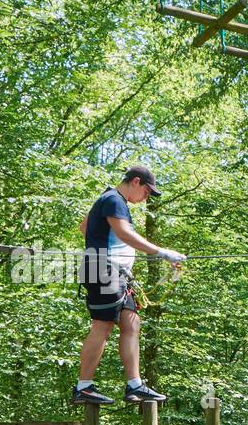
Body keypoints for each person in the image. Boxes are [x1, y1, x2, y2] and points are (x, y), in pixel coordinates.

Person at [72, 165, 183, 405]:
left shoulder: (108, 199)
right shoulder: (113, 199)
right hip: (103, 270)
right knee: (102, 325)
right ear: (135, 181)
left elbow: (85, 227)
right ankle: (84, 386)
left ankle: (135, 385)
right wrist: (161, 252)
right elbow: (123, 232)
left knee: (131, 322)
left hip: (114, 271)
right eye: (146, 192)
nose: (146, 198)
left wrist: (103, 247)